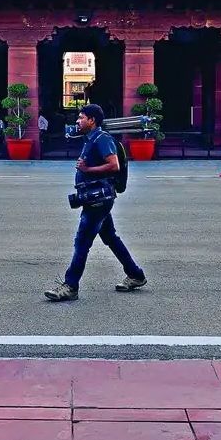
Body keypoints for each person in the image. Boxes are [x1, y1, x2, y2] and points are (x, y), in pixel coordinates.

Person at [45, 104, 146, 302]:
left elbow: (113, 165)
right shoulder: (91, 138)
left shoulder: (102, 139)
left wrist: (87, 170)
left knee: (82, 242)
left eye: (81, 117)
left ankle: (70, 286)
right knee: (110, 237)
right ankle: (136, 275)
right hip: (94, 197)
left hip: (99, 200)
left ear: (92, 120)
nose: (77, 120)